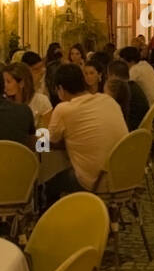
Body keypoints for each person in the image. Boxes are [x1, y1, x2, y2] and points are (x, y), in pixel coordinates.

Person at [45, 63, 129, 202]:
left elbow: (47, 143)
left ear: (60, 89)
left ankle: (52, 220)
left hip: (95, 182)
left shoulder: (64, 109)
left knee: (49, 182)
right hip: (124, 176)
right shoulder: (108, 100)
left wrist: (42, 126)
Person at [4, 62, 51, 127]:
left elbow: (47, 131)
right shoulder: (4, 102)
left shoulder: (41, 101)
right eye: (3, 81)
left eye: (8, 82)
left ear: (21, 83)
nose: (4, 85)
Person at [108, 59, 150, 130]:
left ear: (113, 76)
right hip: (140, 129)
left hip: (131, 129)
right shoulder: (133, 85)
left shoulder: (123, 91)